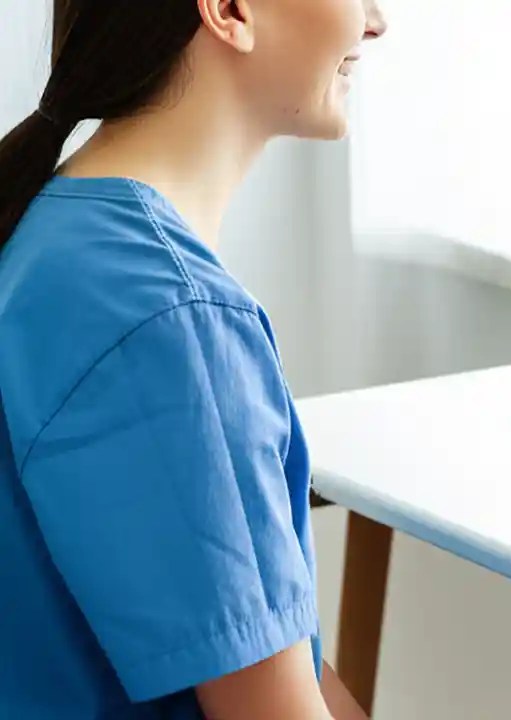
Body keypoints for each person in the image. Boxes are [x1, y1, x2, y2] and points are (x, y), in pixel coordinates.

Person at [0, 1, 386, 718]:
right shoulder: (173, 321)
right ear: (230, 10)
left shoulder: (53, 234)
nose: (376, 21)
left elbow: (273, 655)